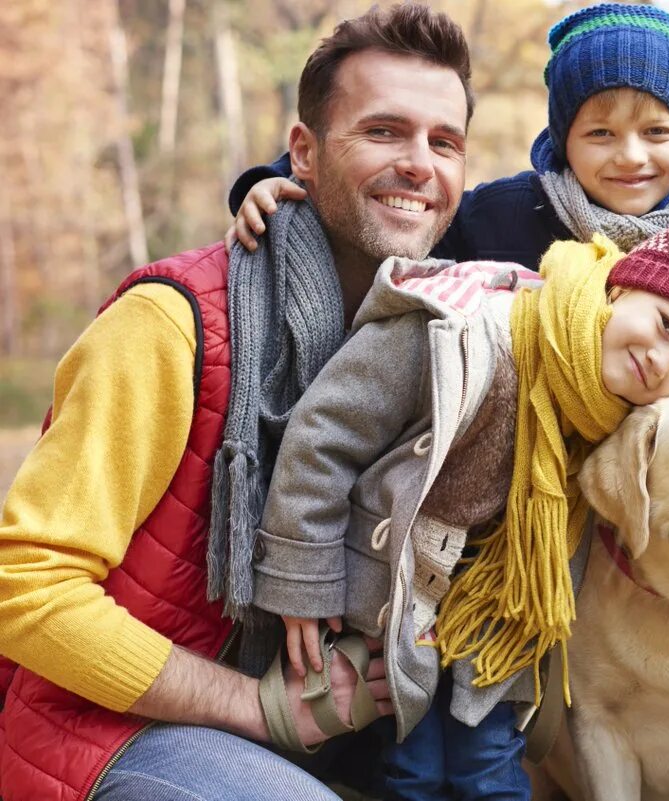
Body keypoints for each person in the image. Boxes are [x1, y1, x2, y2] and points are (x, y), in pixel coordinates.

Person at [0, 6, 478, 800]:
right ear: (305, 153)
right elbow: (26, 588)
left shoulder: (444, 337)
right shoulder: (172, 324)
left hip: (314, 730)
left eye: (445, 142)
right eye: (384, 132)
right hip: (101, 729)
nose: (419, 164)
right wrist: (252, 707)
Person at [251, 212, 669, 801]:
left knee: (491, 769)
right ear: (625, 285)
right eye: (665, 324)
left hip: (504, 609)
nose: (662, 360)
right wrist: (302, 579)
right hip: (399, 599)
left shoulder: (612, 416)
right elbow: (323, 436)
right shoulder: (461, 331)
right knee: (415, 769)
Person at [227, 2, 669, 275]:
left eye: (657, 131)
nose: (631, 156)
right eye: (599, 131)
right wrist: (265, 181)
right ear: (562, 139)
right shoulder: (507, 214)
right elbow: (392, 212)